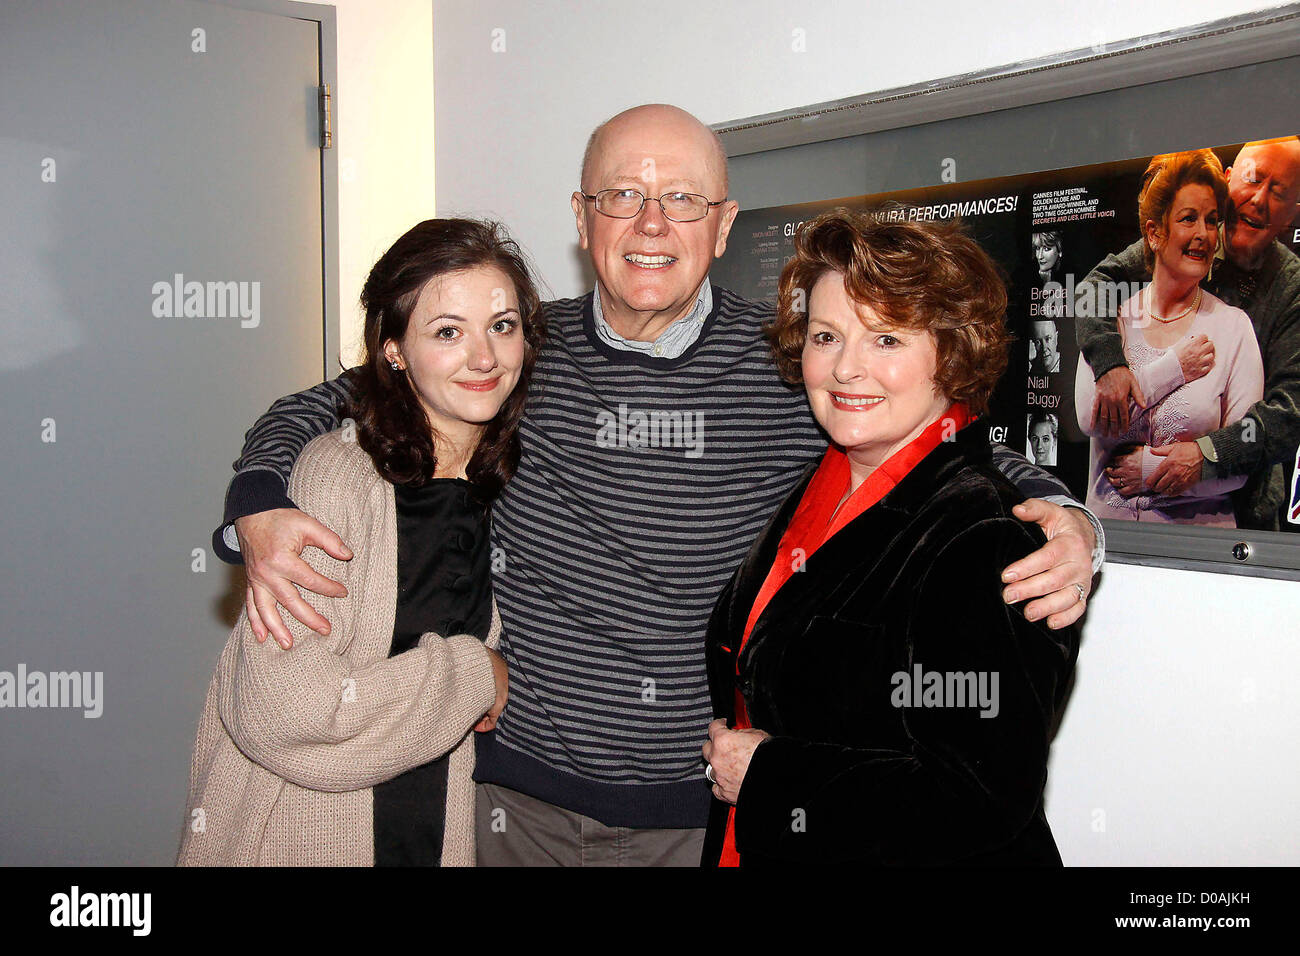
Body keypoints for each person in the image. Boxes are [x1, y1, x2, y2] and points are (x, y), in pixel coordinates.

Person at [212, 105, 1103, 867]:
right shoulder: (517, 351)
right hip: (512, 806)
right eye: (622, 197)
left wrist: (1067, 516)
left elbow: (935, 443)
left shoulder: (794, 362)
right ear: (582, 216)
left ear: (722, 226)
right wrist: (256, 498)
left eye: (682, 199)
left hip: (699, 815)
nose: (650, 224)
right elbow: (344, 393)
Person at [700, 210, 1080, 867]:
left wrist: (770, 773)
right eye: (826, 336)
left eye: (887, 339)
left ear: (951, 352)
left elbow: (981, 799)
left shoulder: (985, 536)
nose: (847, 368)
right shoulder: (823, 488)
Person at [178, 219, 544, 865]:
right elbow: (290, 714)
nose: (484, 357)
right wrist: (474, 674)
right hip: (305, 831)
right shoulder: (336, 477)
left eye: (502, 326)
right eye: (448, 332)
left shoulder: (510, 478)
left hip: (439, 829)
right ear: (394, 349)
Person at [1076, 137, 1300, 529]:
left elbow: (1288, 412)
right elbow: (1093, 287)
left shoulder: (1273, 299)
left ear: (1293, 214)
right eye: (1253, 179)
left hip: (1233, 523)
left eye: (1278, 191)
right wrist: (1120, 363)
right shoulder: (1124, 307)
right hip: (1109, 534)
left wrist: (1200, 456)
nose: (1259, 199)